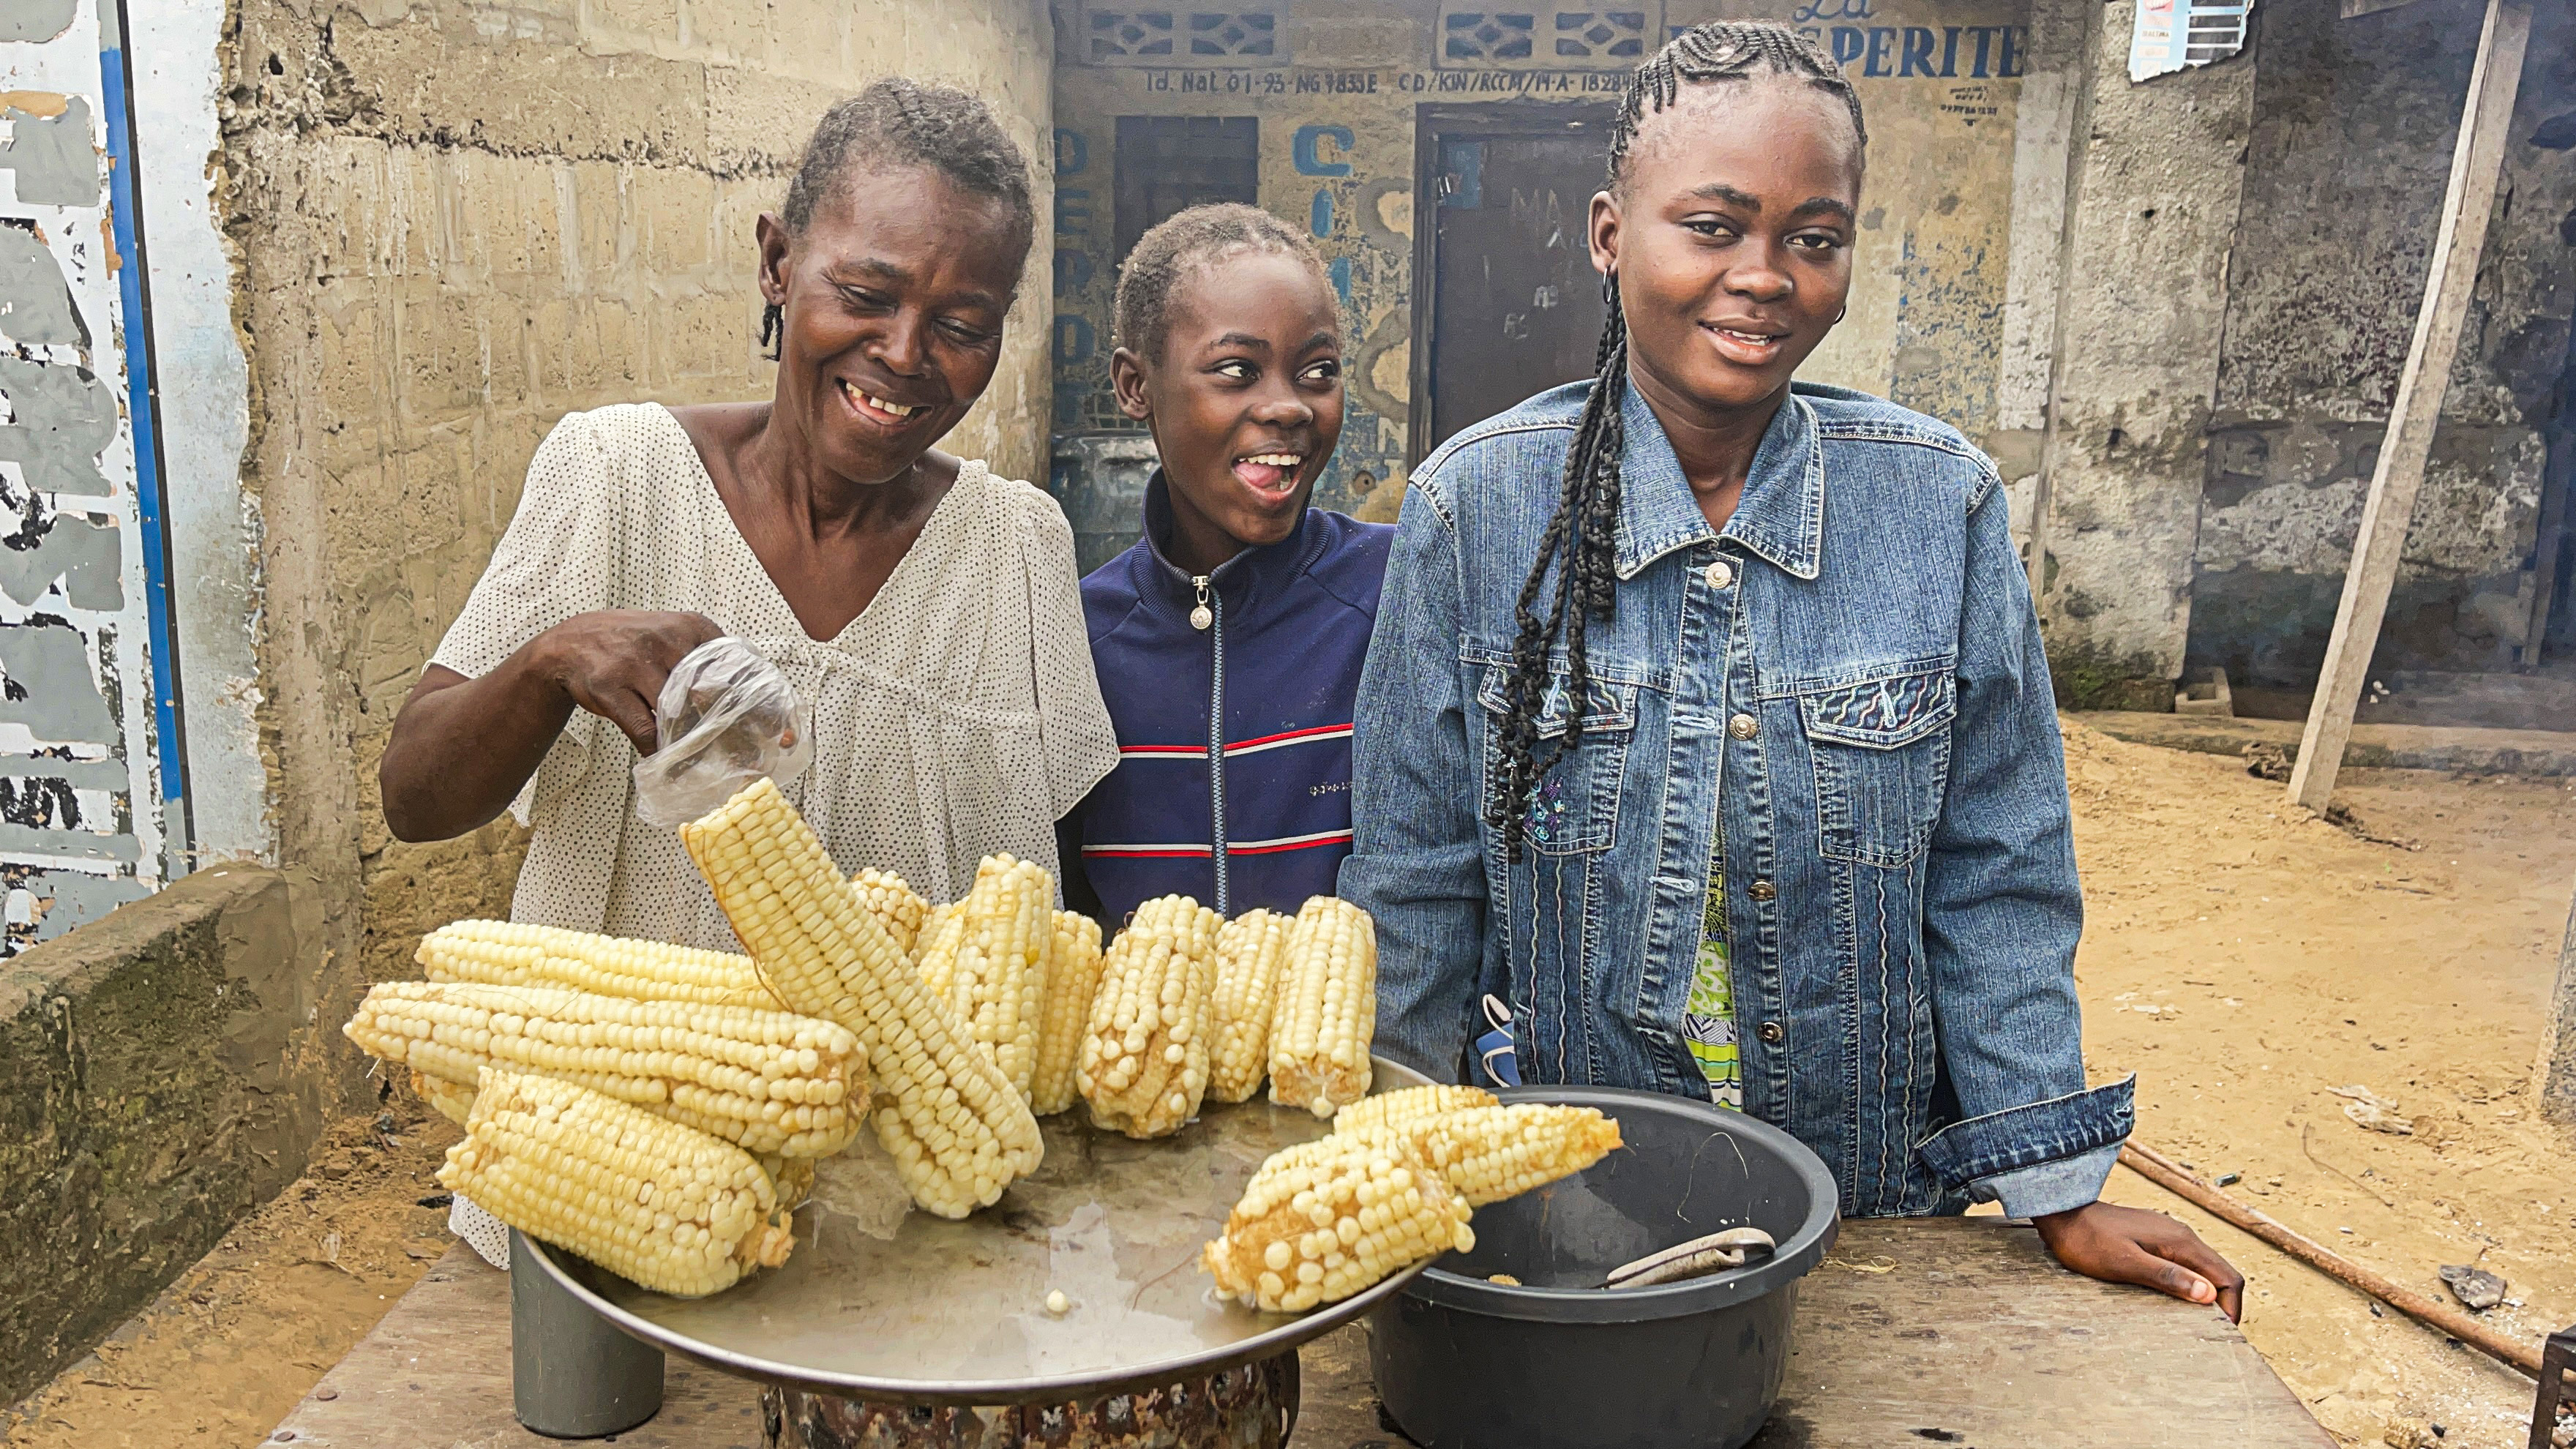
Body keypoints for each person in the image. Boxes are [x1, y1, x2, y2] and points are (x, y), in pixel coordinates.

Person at [1341, 23, 2246, 1317]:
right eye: (1711, 226)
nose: (1762, 276)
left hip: (1867, 1217)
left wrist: (2057, 1174)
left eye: (1811, 238)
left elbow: (1998, 876)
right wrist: (1381, 1168)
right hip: (1571, 1221)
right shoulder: (1471, 514)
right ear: (1611, 234)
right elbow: (1416, 892)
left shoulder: (1940, 510)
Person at [378, 78, 1117, 1265]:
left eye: (964, 324)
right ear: (779, 264)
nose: (904, 356)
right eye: (865, 296)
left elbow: (1051, 895)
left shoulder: (1019, 547)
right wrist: (553, 659)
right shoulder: (617, 476)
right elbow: (414, 798)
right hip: (608, 1219)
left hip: (908, 1238)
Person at [1058, 204, 1390, 926]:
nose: (1286, 407)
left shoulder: (1394, 597)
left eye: (1318, 372)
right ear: (1134, 385)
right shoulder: (1073, 644)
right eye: (1237, 371)